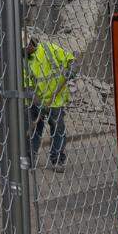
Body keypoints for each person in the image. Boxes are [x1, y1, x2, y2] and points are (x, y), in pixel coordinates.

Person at [26, 27, 74, 172]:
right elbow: (27, 87)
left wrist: (72, 67)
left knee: (58, 128)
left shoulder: (49, 48)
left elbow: (70, 59)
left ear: (31, 43)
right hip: (37, 100)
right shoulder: (23, 61)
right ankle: (30, 157)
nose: (25, 50)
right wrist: (38, 103)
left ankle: (57, 159)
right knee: (34, 129)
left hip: (56, 98)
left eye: (26, 47)